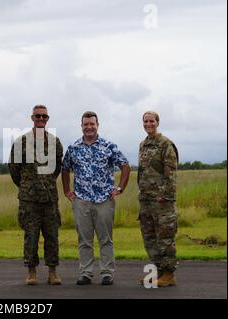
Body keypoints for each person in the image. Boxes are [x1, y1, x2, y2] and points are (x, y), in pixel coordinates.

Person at [62, 111, 130, 286]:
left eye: (92, 124)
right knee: (84, 239)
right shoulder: (74, 147)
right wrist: (67, 190)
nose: (89, 127)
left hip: (104, 200)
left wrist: (120, 188)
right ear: (81, 126)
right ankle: (86, 273)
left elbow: (124, 165)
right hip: (81, 200)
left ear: (97, 125)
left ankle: (107, 273)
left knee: (105, 239)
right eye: (86, 124)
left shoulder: (109, 146)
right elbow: (65, 168)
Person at [8, 105, 63, 285]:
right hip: (29, 200)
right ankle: (31, 272)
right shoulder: (20, 142)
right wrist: (27, 186)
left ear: (48, 119)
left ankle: (52, 272)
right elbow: (14, 170)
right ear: (32, 117)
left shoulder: (55, 143)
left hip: (49, 199)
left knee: (52, 236)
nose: (41, 119)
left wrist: (45, 183)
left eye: (44, 116)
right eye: (37, 116)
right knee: (31, 237)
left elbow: (57, 169)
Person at [138, 111, 179, 287]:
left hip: (162, 202)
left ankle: (169, 274)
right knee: (149, 238)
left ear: (157, 122)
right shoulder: (143, 145)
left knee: (164, 238)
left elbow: (170, 175)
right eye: (146, 121)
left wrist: (165, 196)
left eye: (151, 121)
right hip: (146, 200)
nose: (149, 124)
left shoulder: (165, 144)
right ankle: (158, 272)